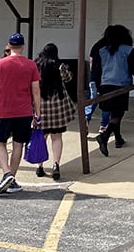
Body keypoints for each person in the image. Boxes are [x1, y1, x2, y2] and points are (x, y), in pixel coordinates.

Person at [0, 33, 41, 194]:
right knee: (18, 144)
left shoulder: (0, 64)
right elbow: (36, 91)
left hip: (4, 111)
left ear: (9, 46)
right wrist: (37, 112)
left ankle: (6, 173)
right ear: (22, 46)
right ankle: (12, 180)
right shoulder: (31, 65)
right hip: (24, 112)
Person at [92, 25, 134, 157]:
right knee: (117, 115)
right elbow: (132, 68)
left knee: (113, 113)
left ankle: (118, 139)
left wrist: (97, 86)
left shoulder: (102, 51)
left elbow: (96, 70)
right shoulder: (127, 50)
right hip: (121, 85)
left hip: (105, 85)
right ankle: (104, 136)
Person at [34, 43, 76, 180]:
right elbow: (69, 78)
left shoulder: (36, 65)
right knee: (56, 137)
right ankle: (56, 164)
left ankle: (40, 166)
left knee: (42, 137)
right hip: (57, 108)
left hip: (41, 106)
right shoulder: (59, 66)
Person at [86, 37, 111, 134]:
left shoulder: (96, 46)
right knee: (106, 102)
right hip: (106, 78)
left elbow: (91, 62)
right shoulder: (110, 47)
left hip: (94, 78)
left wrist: (93, 74)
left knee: (93, 99)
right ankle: (104, 125)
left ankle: (86, 118)